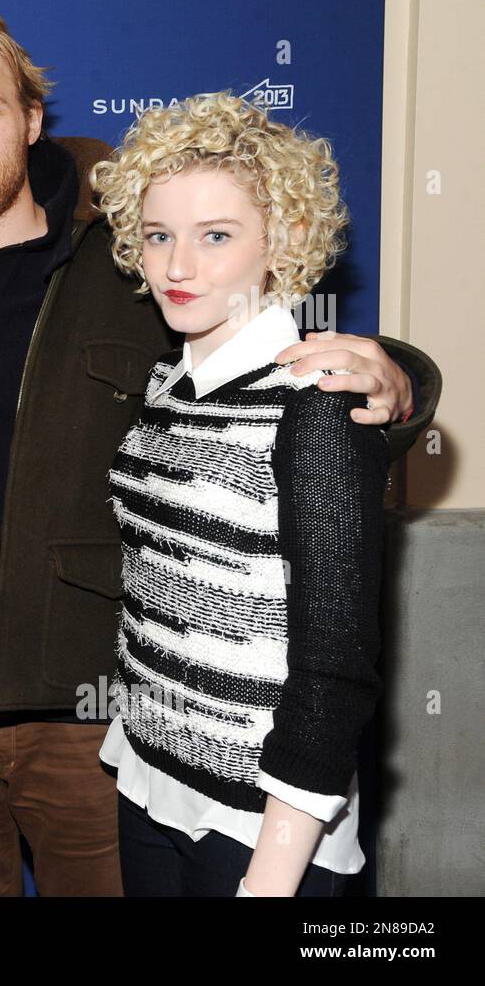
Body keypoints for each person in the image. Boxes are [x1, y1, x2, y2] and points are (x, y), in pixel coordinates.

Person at [0, 3, 437, 896]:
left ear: (32, 120)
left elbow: (280, 359)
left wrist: (402, 380)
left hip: (94, 708)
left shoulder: (131, 255)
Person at [90, 91, 404, 896]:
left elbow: (336, 665)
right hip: (148, 779)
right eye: (158, 236)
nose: (178, 267)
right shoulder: (169, 380)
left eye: (216, 236)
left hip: (261, 824)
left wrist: (272, 874)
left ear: (287, 240)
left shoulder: (320, 403)